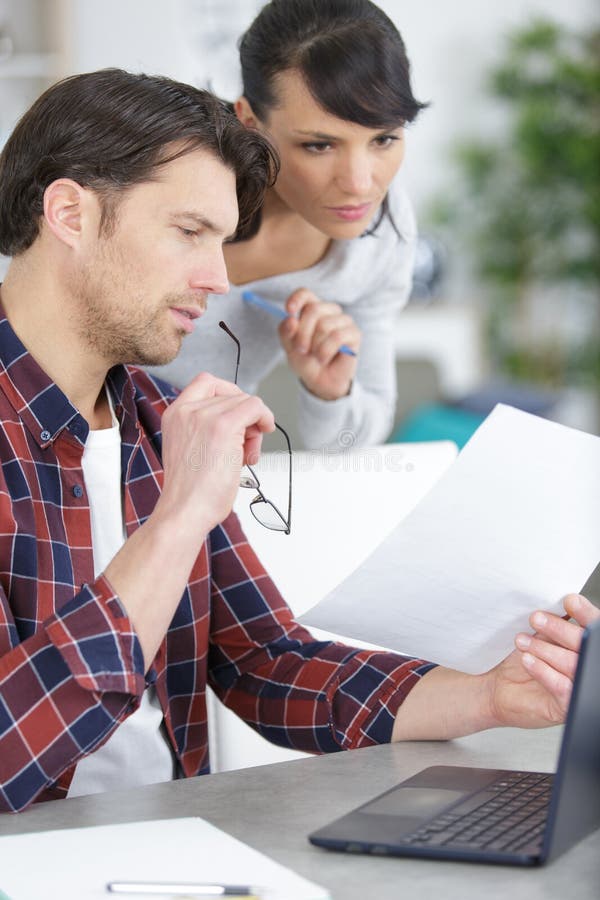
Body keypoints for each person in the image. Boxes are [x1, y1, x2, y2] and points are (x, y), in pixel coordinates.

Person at [0, 68, 597, 816]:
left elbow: (265, 663)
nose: (217, 278)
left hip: (165, 841)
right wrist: (178, 519)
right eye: (189, 232)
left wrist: (488, 696)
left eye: (222, 241)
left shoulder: (156, 418)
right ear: (70, 213)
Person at [149, 0, 426, 450]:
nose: (360, 184)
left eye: (384, 139)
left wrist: (330, 391)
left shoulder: (382, 236)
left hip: (203, 468)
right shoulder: (166, 186)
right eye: (319, 145)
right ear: (250, 121)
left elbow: (351, 443)